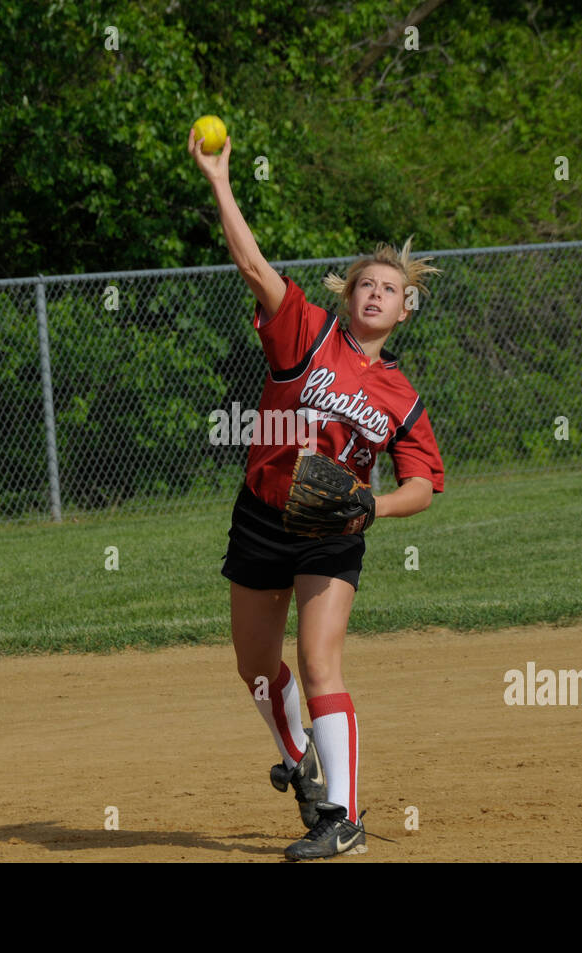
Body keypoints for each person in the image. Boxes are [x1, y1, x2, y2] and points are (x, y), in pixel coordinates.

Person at [189, 126, 446, 860]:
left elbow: (423, 483)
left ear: (404, 312)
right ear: (348, 294)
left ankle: (343, 816)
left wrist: (376, 506)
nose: (376, 292)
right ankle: (296, 753)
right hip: (263, 514)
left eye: (390, 289)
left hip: (334, 523)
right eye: (366, 282)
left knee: (319, 658)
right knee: (254, 665)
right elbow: (249, 260)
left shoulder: (401, 395)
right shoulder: (306, 334)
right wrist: (218, 180)